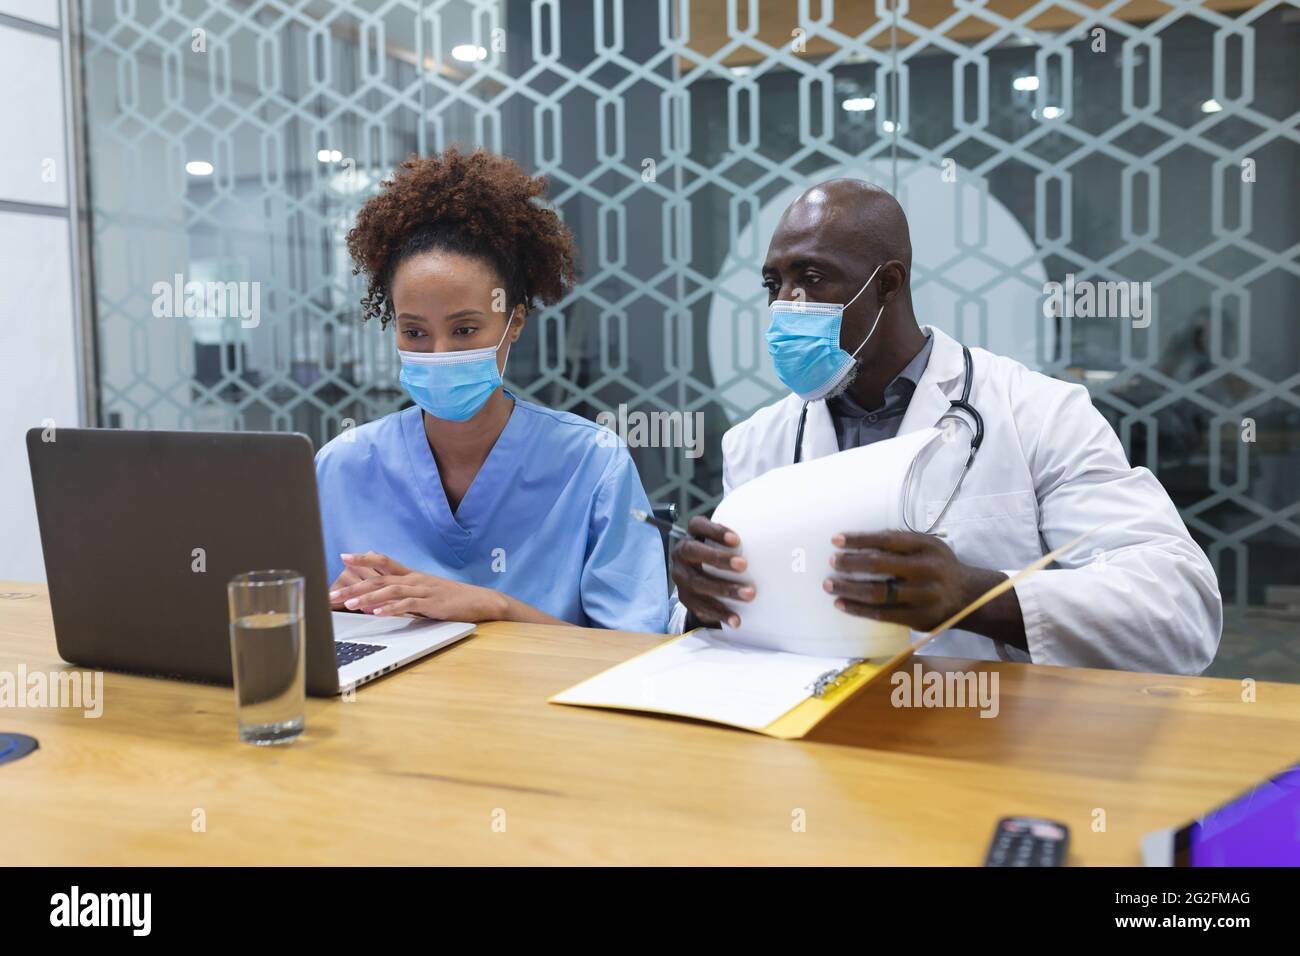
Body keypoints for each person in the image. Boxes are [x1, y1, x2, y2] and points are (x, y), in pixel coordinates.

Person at [670, 179, 1221, 673]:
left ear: (889, 284)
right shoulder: (756, 444)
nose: (788, 303)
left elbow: (1180, 610)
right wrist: (699, 607)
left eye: (812, 277)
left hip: (994, 750)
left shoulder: (1039, 414)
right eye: (775, 283)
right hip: (810, 750)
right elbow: (731, 638)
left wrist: (977, 597)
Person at [316, 148, 668, 632]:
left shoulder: (590, 464)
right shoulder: (342, 467)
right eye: (414, 332)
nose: (438, 353)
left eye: (464, 331)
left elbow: (635, 656)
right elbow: (293, 625)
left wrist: (494, 607)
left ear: (514, 323)